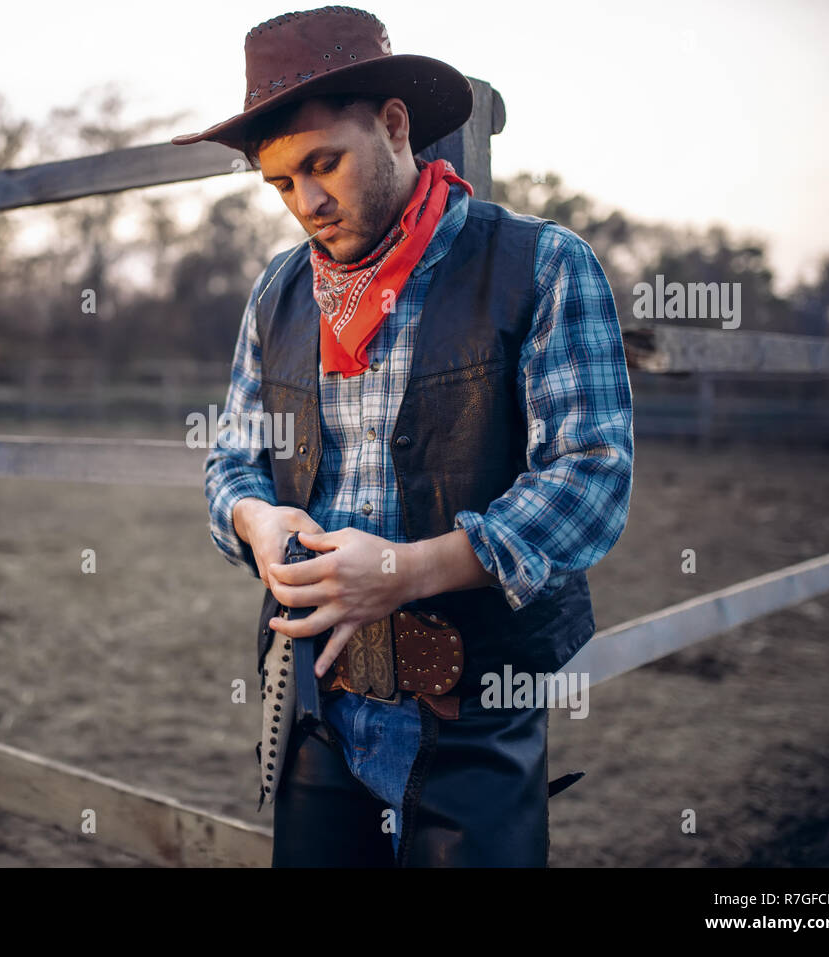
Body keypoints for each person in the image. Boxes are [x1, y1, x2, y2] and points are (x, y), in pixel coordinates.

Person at [174, 5, 635, 866]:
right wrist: (257, 523)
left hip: (475, 708)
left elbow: (590, 477)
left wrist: (409, 570)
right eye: (281, 183)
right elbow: (233, 458)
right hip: (314, 698)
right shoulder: (279, 291)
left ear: (394, 125)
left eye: (324, 164)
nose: (307, 203)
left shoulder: (542, 264)